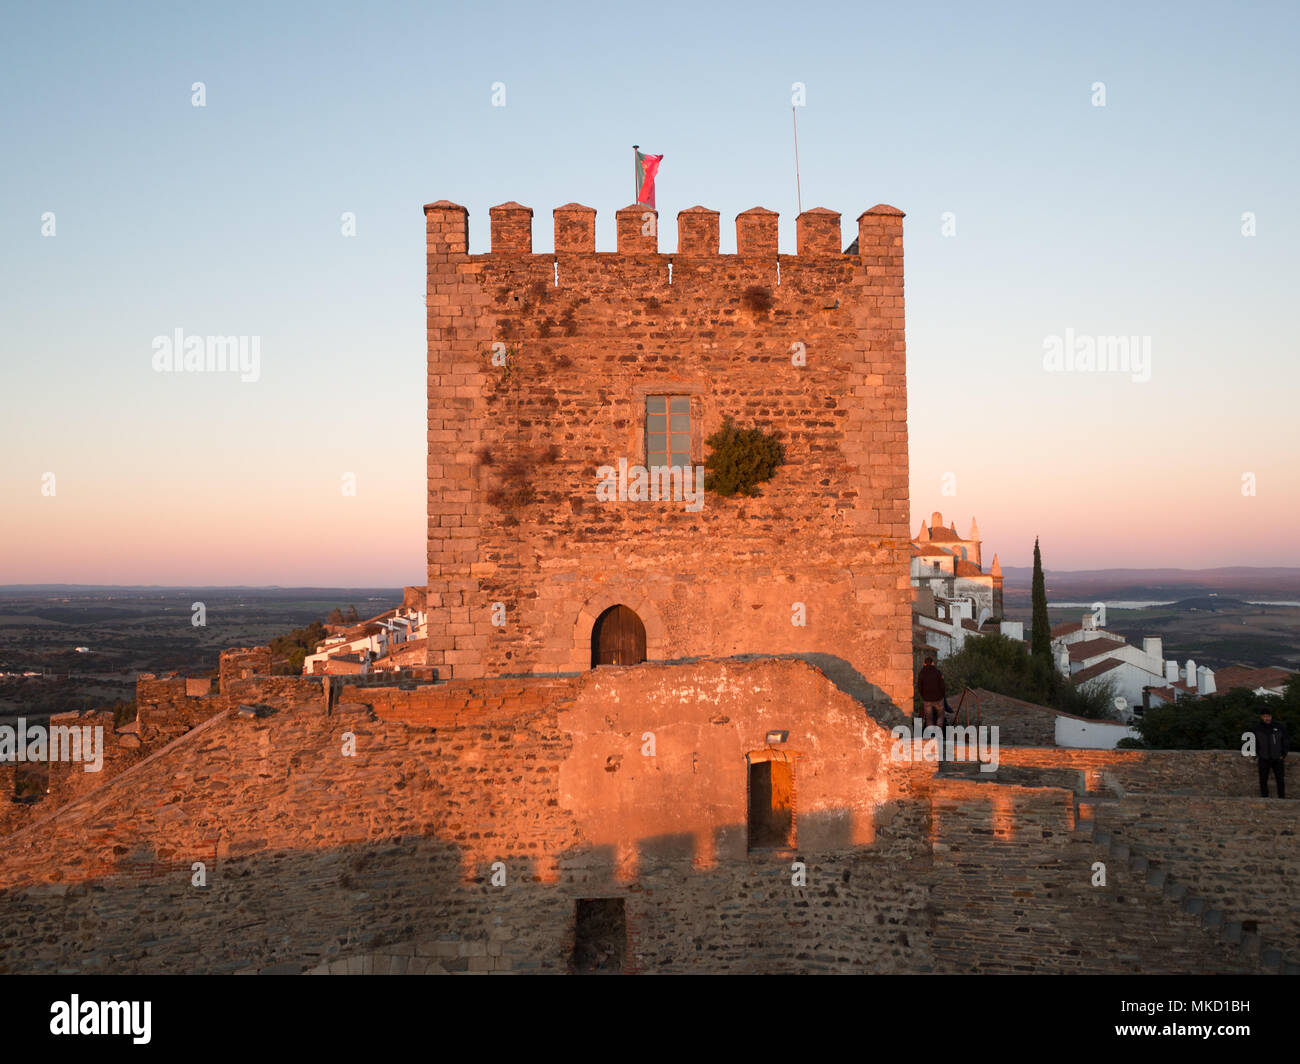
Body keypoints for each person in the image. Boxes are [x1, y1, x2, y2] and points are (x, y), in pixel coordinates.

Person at [1251, 709, 1288, 798]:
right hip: (1263, 758)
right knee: (1263, 780)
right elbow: (1253, 742)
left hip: (1277, 758)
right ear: (1261, 717)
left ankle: (1282, 798)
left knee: (1280, 779)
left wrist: (1283, 754)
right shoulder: (1257, 728)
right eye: (1264, 716)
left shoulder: (1279, 727)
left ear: (1271, 716)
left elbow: (1286, 741)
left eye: (1268, 716)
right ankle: (1264, 798)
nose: (1266, 718)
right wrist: (1256, 753)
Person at [917, 656, 946, 731]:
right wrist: (942, 695)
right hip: (938, 698)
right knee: (940, 716)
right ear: (933, 663)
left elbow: (919, 687)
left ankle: (930, 736)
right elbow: (942, 686)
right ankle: (938, 733)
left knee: (929, 718)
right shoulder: (938, 672)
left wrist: (923, 696)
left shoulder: (921, 673)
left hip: (927, 699)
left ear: (924, 664)